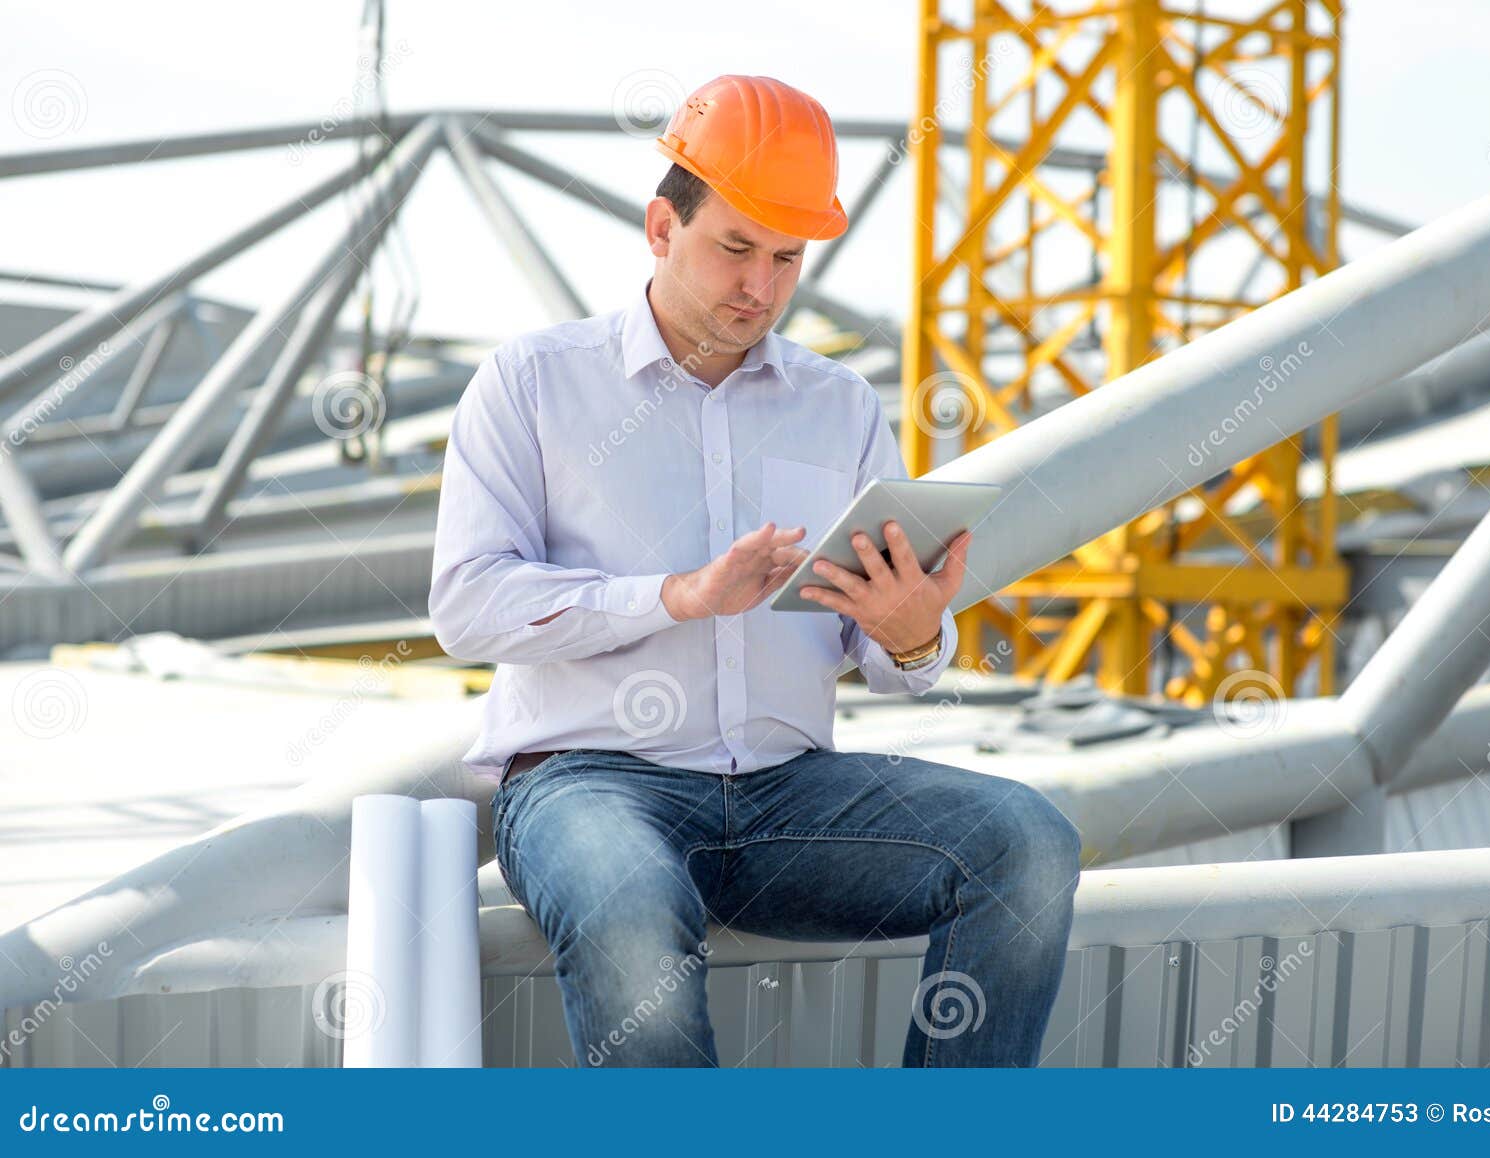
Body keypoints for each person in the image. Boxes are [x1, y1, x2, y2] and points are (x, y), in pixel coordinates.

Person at [428, 74, 1081, 1067]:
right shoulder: (533, 382)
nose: (762, 288)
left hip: (787, 794)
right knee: (630, 906)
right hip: (590, 784)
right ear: (660, 227)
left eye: (787, 258)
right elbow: (466, 606)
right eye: (735, 248)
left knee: (1026, 843)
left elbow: (892, 660)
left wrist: (911, 631)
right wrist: (675, 598)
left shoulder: (840, 406)